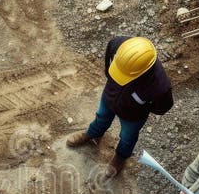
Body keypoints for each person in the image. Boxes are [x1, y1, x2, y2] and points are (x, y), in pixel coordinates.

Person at [66, 36, 173, 178]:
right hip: (109, 97)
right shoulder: (119, 46)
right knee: (101, 116)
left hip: (133, 115)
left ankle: (120, 157)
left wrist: (142, 108)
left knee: (127, 137)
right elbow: (108, 61)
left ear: (142, 73)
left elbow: (162, 108)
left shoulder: (159, 86)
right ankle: (93, 134)